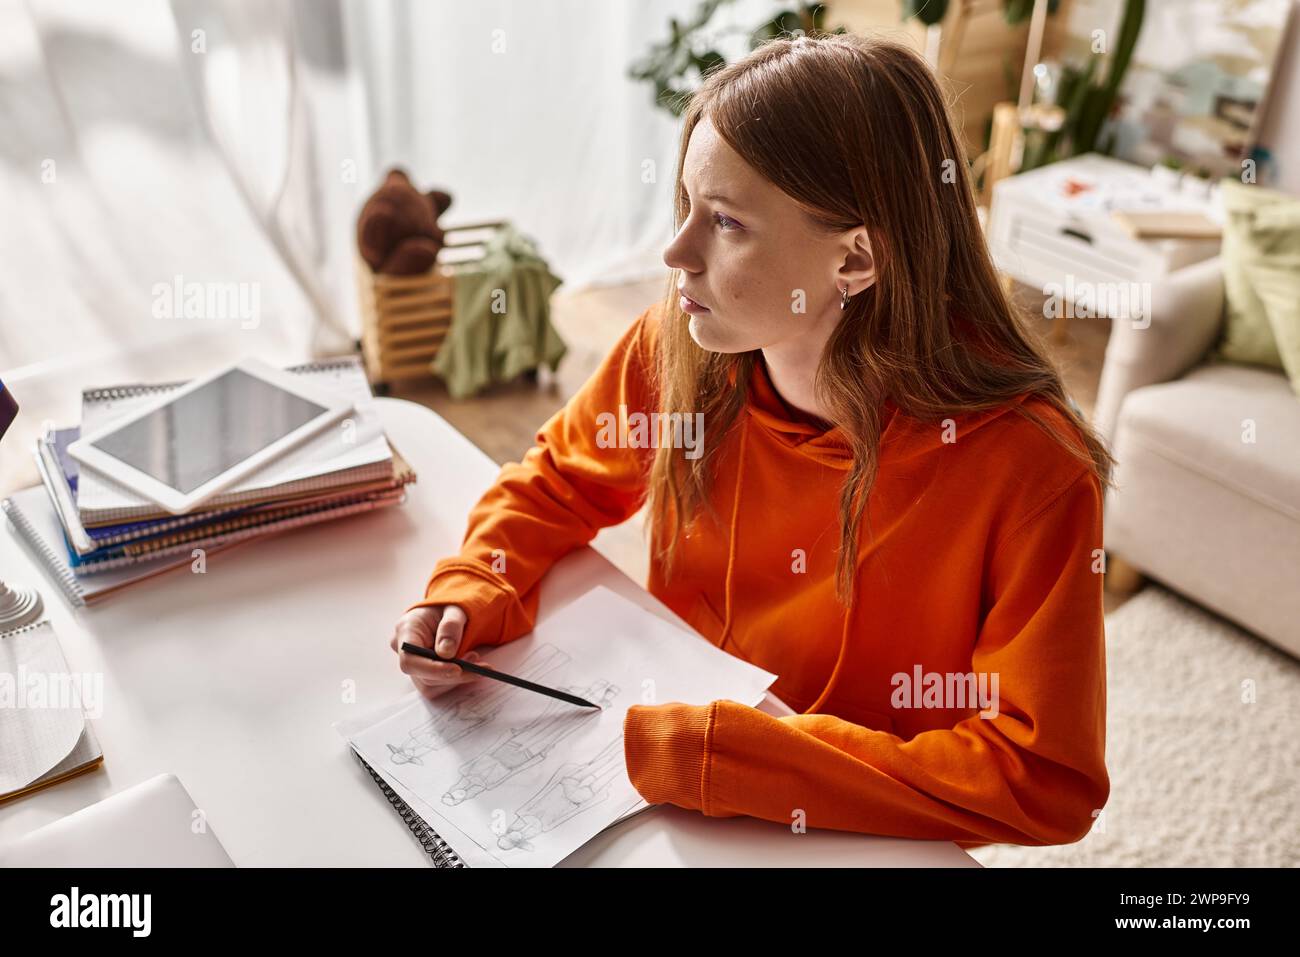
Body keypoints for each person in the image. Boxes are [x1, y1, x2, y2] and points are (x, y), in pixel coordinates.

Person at [390, 33, 1115, 849]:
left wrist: (730, 759)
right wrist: (470, 585)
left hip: (866, 839)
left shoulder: (1033, 470)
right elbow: (559, 477)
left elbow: (1044, 777)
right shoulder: (680, 345)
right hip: (672, 802)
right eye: (686, 207)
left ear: (857, 259)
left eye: (727, 222)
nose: (675, 253)